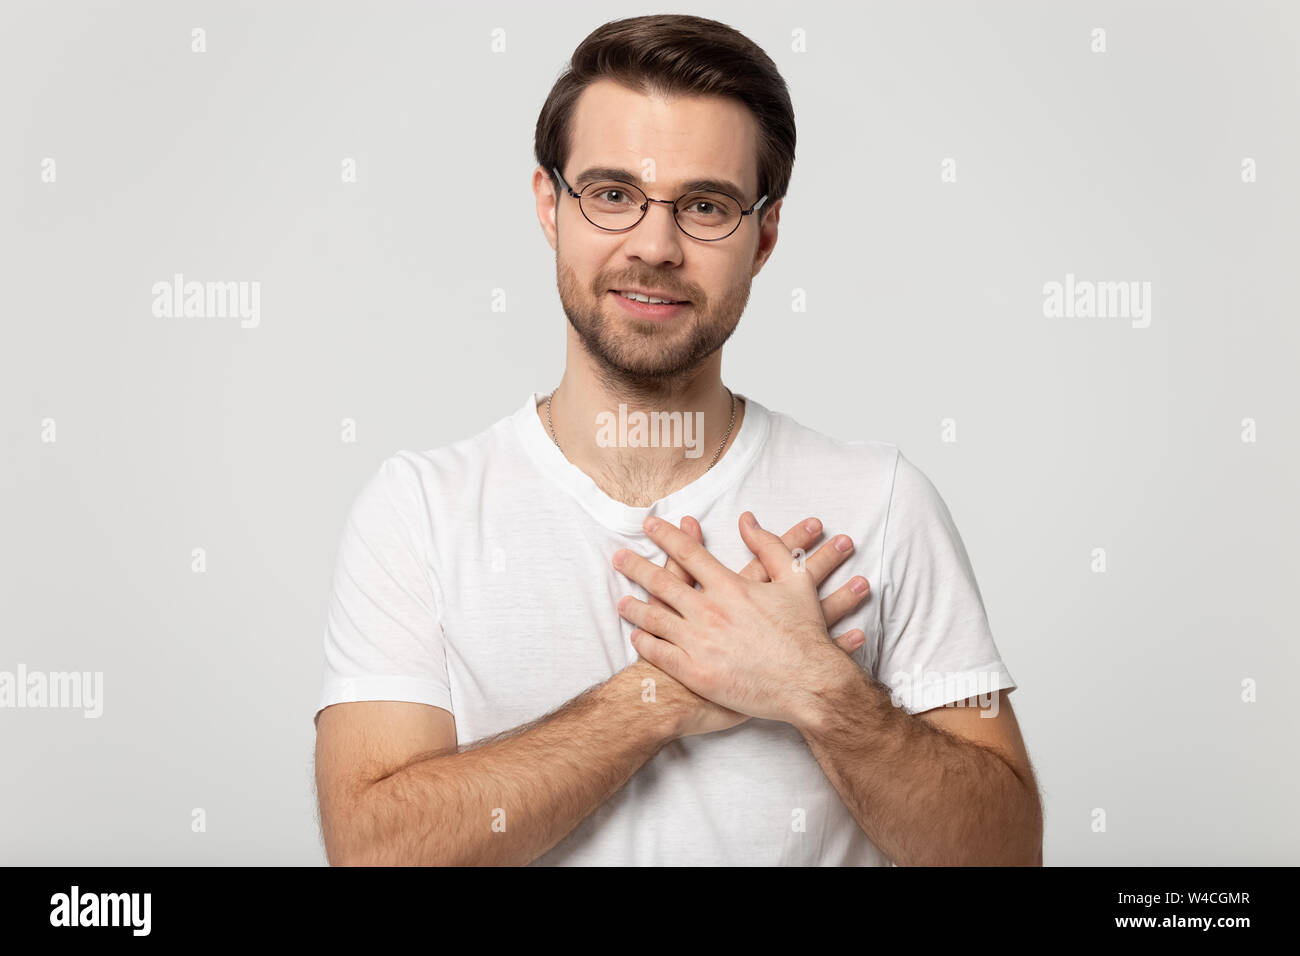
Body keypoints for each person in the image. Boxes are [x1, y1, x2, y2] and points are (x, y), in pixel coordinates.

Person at [313, 13, 1042, 866]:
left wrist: (816, 688)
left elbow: (1004, 854)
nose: (655, 248)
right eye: (613, 194)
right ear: (551, 205)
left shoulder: (880, 501)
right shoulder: (419, 512)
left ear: (764, 235)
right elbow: (372, 852)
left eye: (706, 206)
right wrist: (662, 692)